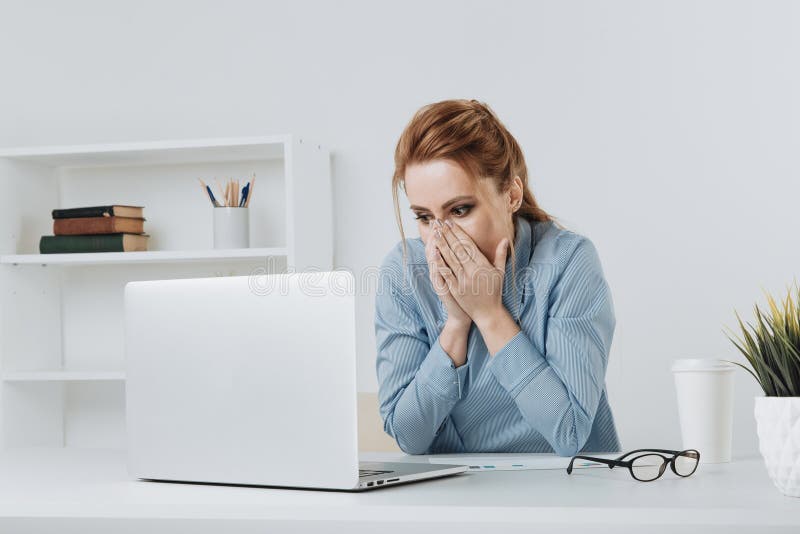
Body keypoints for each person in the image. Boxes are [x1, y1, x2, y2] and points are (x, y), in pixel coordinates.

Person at [374, 98, 622, 456]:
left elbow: (569, 433)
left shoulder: (569, 261)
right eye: (425, 217)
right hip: (458, 495)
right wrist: (457, 324)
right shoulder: (402, 273)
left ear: (512, 195)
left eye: (460, 210)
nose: (441, 236)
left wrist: (489, 314)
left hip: (570, 490)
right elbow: (408, 436)